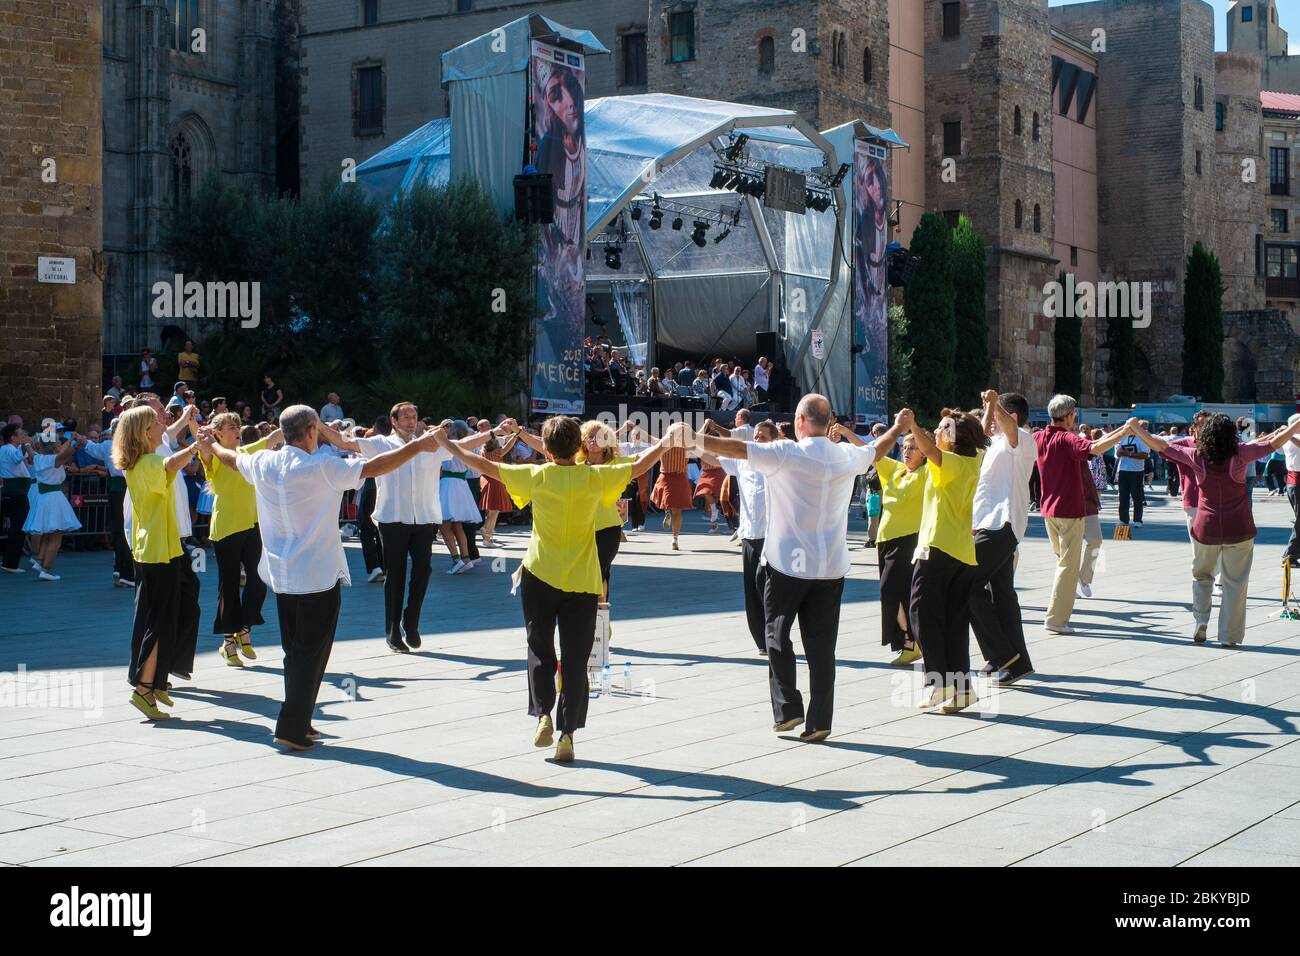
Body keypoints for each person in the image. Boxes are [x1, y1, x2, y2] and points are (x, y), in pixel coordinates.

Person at [200, 405, 447, 749]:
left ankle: (300, 720)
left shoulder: (265, 462)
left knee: (295, 652)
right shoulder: (323, 467)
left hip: (282, 576)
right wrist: (418, 447)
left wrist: (211, 446)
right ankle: (291, 725)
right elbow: (375, 467)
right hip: (316, 575)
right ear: (312, 430)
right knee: (309, 653)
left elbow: (231, 459)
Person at [438, 416, 679, 763]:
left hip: (540, 573)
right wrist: (666, 440)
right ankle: (567, 735)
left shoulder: (536, 475)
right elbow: (641, 463)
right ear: (578, 447)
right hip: (582, 579)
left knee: (539, 649)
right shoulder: (595, 477)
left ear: (547, 450)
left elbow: (485, 465)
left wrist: (447, 444)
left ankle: (544, 716)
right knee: (576, 658)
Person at [696, 394, 875, 742]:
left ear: (802, 421)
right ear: (828, 421)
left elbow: (735, 451)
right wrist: (898, 427)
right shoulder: (846, 455)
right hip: (830, 566)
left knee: (776, 635)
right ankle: (820, 720)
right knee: (822, 647)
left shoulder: (787, 453)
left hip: (787, 564)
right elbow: (875, 450)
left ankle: (788, 708)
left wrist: (688, 438)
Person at [330, 405, 502, 650]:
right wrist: (320, 427)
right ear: (394, 420)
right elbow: (347, 444)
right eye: (406, 417)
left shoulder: (430, 444)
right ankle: (393, 632)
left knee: (423, 571)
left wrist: (493, 433)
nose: (411, 422)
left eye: (414, 417)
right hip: (392, 519)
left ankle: (411, 622)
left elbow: (461, 444)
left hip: (423, 520)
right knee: (396, 576)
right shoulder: (380, 443)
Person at [1131, 415, 1300, 645]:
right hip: (1238, 527)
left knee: (1201, 575)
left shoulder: (1196, 456)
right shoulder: (1241, 453)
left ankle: (1201, 619)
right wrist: (1294, 427)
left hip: (1206, 526)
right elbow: (1273, 443)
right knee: (1235, 583)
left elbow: (1161, 445)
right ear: (1232, 434)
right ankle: (1229, 636)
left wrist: (1134, 428)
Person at [114, 405, 202, 720]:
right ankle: (144, 688)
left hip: (160, 547)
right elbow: (170, 464)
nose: (159, 427)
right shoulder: (147, 462)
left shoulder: (141, 461)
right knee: (161, 620)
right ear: (143, 432)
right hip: (156, 550)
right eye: (154, 423)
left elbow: (169, 464)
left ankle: (157, 681)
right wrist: (195, 446)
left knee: (172, 613)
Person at [902, 408, 986, 711]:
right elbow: (976, 430)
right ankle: (963, 689)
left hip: (936, 548)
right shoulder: (973, 459)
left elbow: (929, 449)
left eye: (943, 429)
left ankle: (938, 682)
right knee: (953, 623)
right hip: (963, 552)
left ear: (954, 439)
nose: (937, 432)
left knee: (921, 616)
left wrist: (912, 423)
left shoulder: (949, 462)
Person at [1034, 394, 1130, 634]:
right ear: (1068, 415)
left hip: (1048, 510)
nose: (1075, 418)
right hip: (1069, 510)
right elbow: (1095, 448)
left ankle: (1076, 588)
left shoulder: (1039, 437)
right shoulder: (1067, 438)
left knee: (1064, 562)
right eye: (1074, 414)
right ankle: (1056, 618)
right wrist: (1124, 432)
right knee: (1067, 566)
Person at [834, 413, 924, 665]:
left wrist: (915, 428)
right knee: (891, 593)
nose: (907, 451)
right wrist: (847, 434)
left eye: (913, 448)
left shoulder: (928, 474)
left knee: (896, 590)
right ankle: (909, 641)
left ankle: (911, 641)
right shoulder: (895, 470)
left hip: (910, 540)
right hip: (886, 540)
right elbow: (869, 451)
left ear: (924, 453)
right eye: (905, 447)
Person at [964, 391, 1038, 685]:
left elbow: (1006, 426)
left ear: (1012, 416)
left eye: (995, 413)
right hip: (987, 525)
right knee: (1003, 595)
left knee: (964, 582)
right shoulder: (994, 443)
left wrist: (994, 405)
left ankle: (1001, 654)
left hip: (1002, 524)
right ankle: (1017, 663)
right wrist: (987, 409)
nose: (991, 418)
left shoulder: (1021, 438)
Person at [197, 412, 279, 666]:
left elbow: (274, 437)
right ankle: (228, 641)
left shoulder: (247, 450)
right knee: (230, 584)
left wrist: (302, 421)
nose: (236, 429)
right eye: (231, 427)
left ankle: (245, 628)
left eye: (237, 426)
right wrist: (203, 438)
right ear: (219, 432)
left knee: (259, 579)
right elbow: (206, 453)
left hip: (253, 525)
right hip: (226, 527)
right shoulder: (214, 452)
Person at [709, 418, 776, 655]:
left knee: (767, 588)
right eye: (756, 436)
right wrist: (699, 440)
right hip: (749, 534)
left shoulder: (781, 462)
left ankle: (774, 635)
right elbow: (714, 457)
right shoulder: (742, 461)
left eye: (763, 437)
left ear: (774, 441)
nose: (757, 439)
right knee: (751, 589)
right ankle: (762, 642)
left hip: (772, 536)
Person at [22, 430, 83, 580]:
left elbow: (31, 451)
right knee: (56, 536)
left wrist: (27, 443)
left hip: (43, 498)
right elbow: (64, 453)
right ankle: (46, 570)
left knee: (49, 533)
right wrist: (75, 444)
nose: (59, 445)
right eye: (57, 444)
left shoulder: (38, 458)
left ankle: (40, 561)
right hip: (54, 499)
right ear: (54, 447)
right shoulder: (54, 459)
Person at [0, 423, 32, 574]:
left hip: (18, 492)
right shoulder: (6, 449)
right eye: (20, 434)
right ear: (12, 437)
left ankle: (10, 561)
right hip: (15, 493)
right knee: (18, 528)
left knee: (18, 527)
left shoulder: (10, 449)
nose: (23, 435)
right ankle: (10, 563)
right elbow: (17, 459)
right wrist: (26, 445)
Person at [1115, 424, 1149, 527]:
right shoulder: (1122, 439)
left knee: (1136, 496)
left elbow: (1145, 455)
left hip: (1137, 471)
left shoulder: (1141, 439)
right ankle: (1123, 520)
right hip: (1123, 470)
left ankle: (1138, 520)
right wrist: (1123, 453)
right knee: (1123, 496)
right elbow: (1118, 453)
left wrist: (1128, 454)